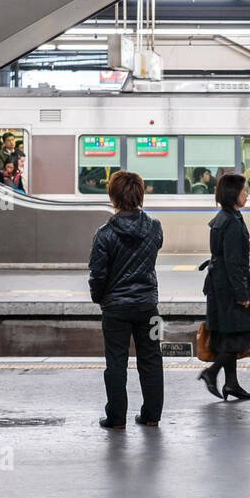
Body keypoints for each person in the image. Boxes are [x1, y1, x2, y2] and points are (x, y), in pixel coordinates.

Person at [88, 171, 165, 430]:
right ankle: (152, 415)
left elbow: (97, 274)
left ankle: (116, 418)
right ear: (141, 195)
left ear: (113, 197)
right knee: (152, 358)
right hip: (149, 307)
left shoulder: (104, 233)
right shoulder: (155, 226)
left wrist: (100, 299)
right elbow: (155, 249)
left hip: (116, 309)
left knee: (116, 362)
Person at [198, 173, 250, 401]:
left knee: (229, 334)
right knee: (239, 335)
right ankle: (211, 372)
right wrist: (242, 293)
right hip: (229, 286)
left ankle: (231, 384)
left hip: (219, 283)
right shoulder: (233, 223)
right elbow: (234, 262)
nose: (246, 194)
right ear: (233, 194)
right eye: (243, 191)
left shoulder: (223, 217)